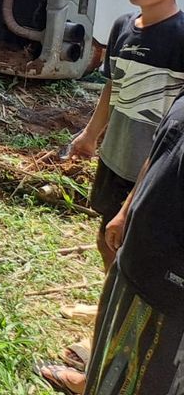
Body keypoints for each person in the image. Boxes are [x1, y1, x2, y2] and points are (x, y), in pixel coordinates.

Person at [39, 0, 184, 394]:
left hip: (153, 177)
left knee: (133, 256)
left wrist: (135, 201)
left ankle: (105, 362)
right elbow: (112, 89)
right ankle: (107, 306)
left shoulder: (181, 38)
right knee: (108, 244)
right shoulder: (124, 26)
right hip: (117, 159)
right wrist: (90, 134)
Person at [72, 93, 184, 394]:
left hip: (171, 292)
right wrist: (125, 211)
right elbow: (163, 147)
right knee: (112, 367)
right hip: (136, 262)